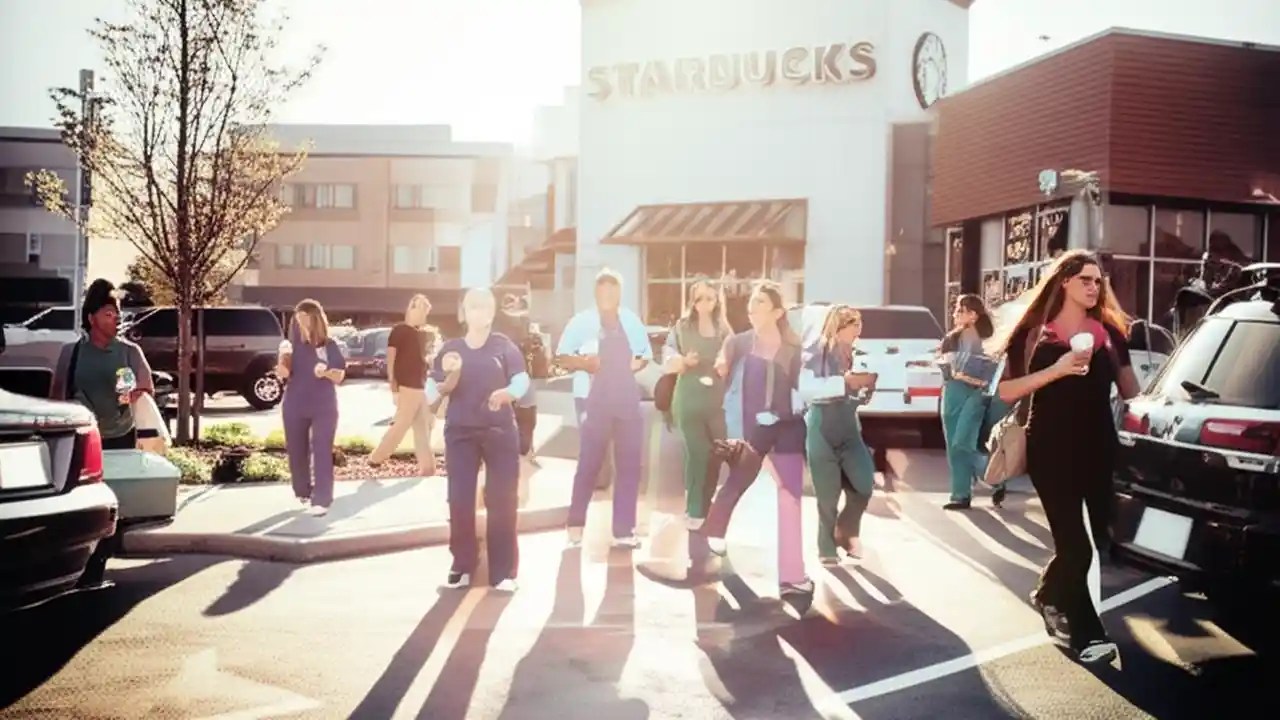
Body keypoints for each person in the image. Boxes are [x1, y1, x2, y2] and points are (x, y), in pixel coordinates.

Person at [995, 249, 1141, 665]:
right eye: (1086, 280)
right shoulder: (1033, 332)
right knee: (1075, 545)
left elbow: (1132, 391)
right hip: (1050, 447)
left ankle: (1047, 594)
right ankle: (1087, 634)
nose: (1095, 287)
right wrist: (1058, 369)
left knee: (1100, 538)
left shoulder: (1110, 331)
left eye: (1099, 281)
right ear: (1064, 282)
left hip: (1099, 446)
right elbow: (1006, 392)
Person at [695, 281, 813, 604]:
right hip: (753, 431)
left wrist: (789, 409)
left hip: (787, 427)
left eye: (760, 302)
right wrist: (716, 370)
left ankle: (792, 577)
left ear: (777, 311)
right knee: (736, 482)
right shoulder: (739, 343)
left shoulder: (794, 348)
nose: (752, 307)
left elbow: (805, 392)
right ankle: (712, 536)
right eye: (751, 302)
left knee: (790, 499)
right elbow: (721, 367)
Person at [428, 288, 529, 591]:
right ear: (464, 312)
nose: (478, 312)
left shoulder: (503, 346)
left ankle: (504, 572)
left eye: (484, 307)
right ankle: (462, 562)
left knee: (502, 500)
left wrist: (509, 392)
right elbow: (431, 388)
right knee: (459, 499)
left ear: (492, 312)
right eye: (473, 307)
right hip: (461, 432)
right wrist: (441, 386)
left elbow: (521, 378)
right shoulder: (451, 349)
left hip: (499, 431)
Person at [555, 269, 653, 548]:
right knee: (590, 463)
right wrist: (584, 364)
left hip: (626, 399)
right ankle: (575, 526)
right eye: (603, 289)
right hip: (591, 398)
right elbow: (561, 357)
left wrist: (633, 365)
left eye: (613, 289)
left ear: (619, 293)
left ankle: (623, 531)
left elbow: (644, 355)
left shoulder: (631, 321)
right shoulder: (581, 322)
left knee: (630, 466)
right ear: (596, 292)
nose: (608, 294)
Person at [798, 305, 878, 565]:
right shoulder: (815, 353)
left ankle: (845, 529)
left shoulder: (860, 354)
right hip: (821, 426)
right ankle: (826, 546)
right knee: (827, 495)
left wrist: (865, 391)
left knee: (864, 484)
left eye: (860, 324)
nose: (859, 330)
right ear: (839, 327)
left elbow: (858, 390)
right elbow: (806, 390)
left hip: (849, 427)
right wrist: (845, 383)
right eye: (854, 324)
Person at [661, 278, 733, 529]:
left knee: (716, 455)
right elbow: (668, 357)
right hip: (688, 398)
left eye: (710, 298)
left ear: (717, 301)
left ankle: (703, 505)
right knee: (697, 452)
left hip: (716, 402)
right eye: (699, 298)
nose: (704, 303)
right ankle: (694, 509)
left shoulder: (724, 330)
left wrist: (726, 363)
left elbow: (734, 357)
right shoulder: (681, 327)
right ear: (692, 301)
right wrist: (683, 361)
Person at [276, 299, 347, 517]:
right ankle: (303, 491)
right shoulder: (290, 346)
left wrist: (325, 372)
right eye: (297, 321)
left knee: (321, 448)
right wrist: (281, 365)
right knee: (296, 450)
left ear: (315, 320)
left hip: (323, 405)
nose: (301, 324)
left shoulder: (329, 345)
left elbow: (339, 376)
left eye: (304, 319)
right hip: (294, 404)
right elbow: (284, 374)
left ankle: (322, 498)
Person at [68, 279, 155, 450]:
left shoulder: (130, 351)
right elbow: (59, 393)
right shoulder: (74, 352)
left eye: (117, 314)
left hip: (122, 437)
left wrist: (132, 394)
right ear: (91, 318)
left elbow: (146, 391)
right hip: (83, 437)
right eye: (108, 314)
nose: (116, 319)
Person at [938, 294, 1003, 510]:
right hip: (951, 394)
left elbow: (990, 375)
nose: (955, 313)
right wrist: (953, 373)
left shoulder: (989, 343)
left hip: (976, 395)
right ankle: (960, 495)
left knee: (963, 442)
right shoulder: (951, 339)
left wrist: (966, 377)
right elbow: (947, 370)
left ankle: (996, 475)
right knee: (953, 447)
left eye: (960, 309)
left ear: (973, 315)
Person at [369, 294, 436, 476]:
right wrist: (393, 386)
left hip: (420, 386)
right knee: (402, 424)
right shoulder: (399, 330)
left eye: (425, 311)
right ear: (411, 308)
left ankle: (428, 468)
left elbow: (423, 361)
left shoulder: (422, 335)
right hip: (407, 385)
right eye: (419, 309)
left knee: (423, 426)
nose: (422, 314)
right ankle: (376, 458)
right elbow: (391, 359)